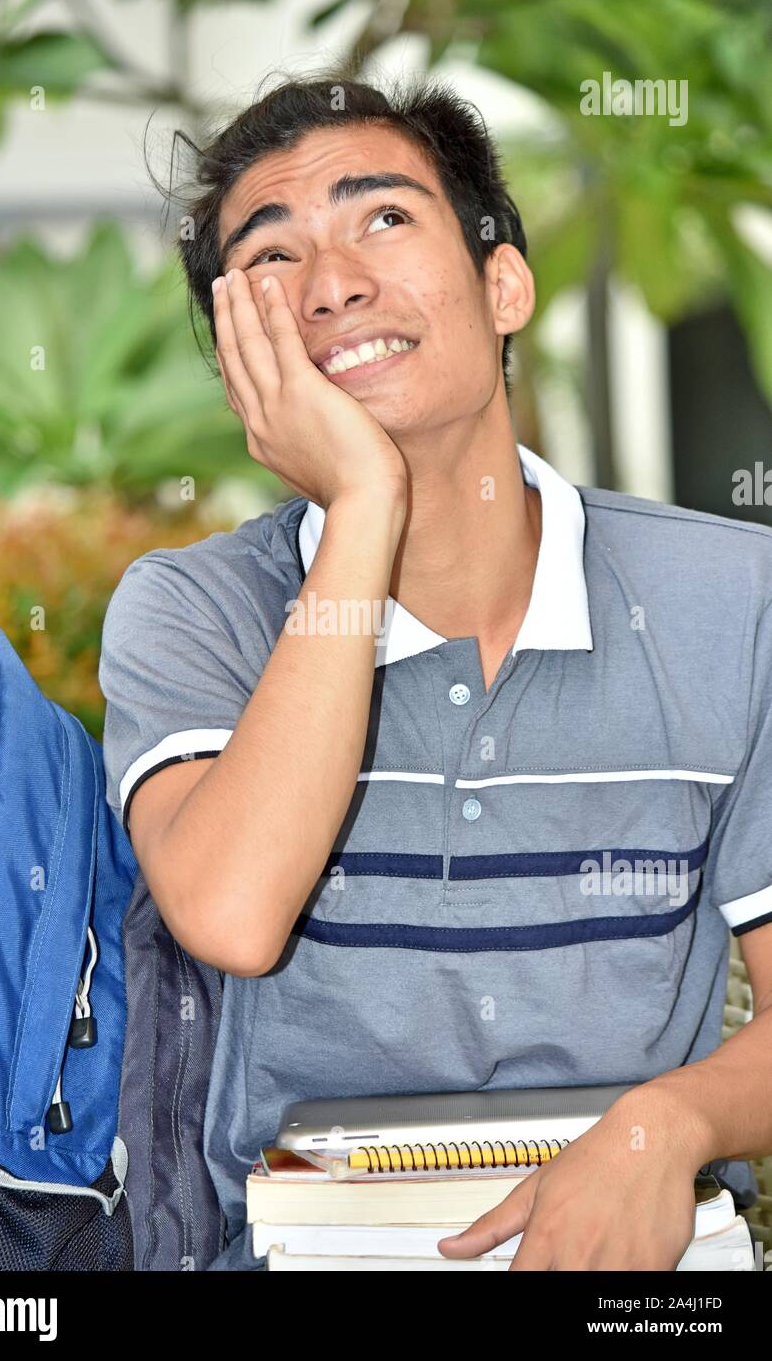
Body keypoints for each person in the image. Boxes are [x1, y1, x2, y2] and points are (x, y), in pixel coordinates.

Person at [98, 75, 772, 1271]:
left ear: (501, 283)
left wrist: (660, 1128)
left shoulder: (734, 600)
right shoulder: (190, 610)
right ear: (238, 364)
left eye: (383, 219)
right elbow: (234, 913)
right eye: (270, 258)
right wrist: (363, 506)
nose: (332, 281)